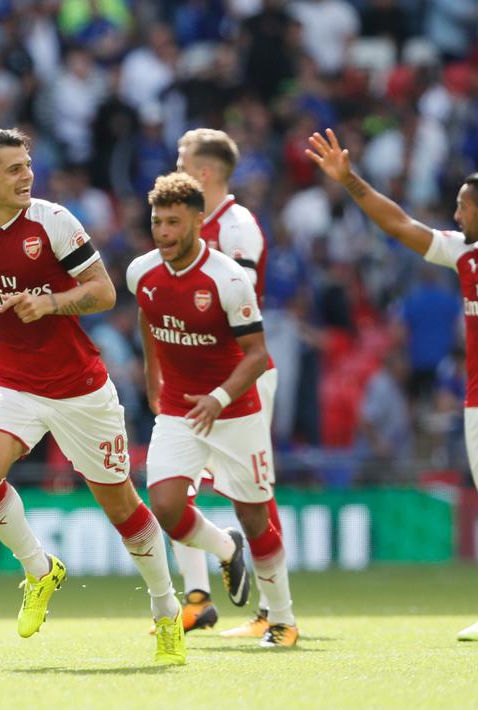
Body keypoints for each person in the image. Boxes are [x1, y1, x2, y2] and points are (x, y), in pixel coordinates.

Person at [307, 101, 478, 642]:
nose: (454, 216)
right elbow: (399, 224)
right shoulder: (463, 255)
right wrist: (349, 180)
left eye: (461, 207)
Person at [0, 128, 187, 665]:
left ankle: (166, 609)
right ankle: (39, 569)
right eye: (14, 169)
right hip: (15, 383)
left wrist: (50, 302)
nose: (27, 176)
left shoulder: (52, 222)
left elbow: (104, 292)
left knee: (121, 506)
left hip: (82, 390)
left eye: (28, 165)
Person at [128, 172, 298, 648]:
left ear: (198, 222)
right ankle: (225, 548)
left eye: (173, 223)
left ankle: (283, 620)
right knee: (165, 507)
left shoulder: (228, 279)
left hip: (236, 413)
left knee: (255, 517)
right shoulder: (141, 271)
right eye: (157, 222)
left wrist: (218, 397)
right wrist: (153, 378)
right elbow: (147, 316)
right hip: (179, 411)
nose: (163, 232)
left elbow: (257, 355)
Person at [172, 128, 286, 638]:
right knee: (175, 484)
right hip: (192, 375)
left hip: (240, 376)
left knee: (252, 495)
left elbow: (234, 303)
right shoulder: (189, 226)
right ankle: (198, 599)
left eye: (181, 162)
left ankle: (272, 611)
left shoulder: (238, 228)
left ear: (204, 172)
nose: (174, 170)